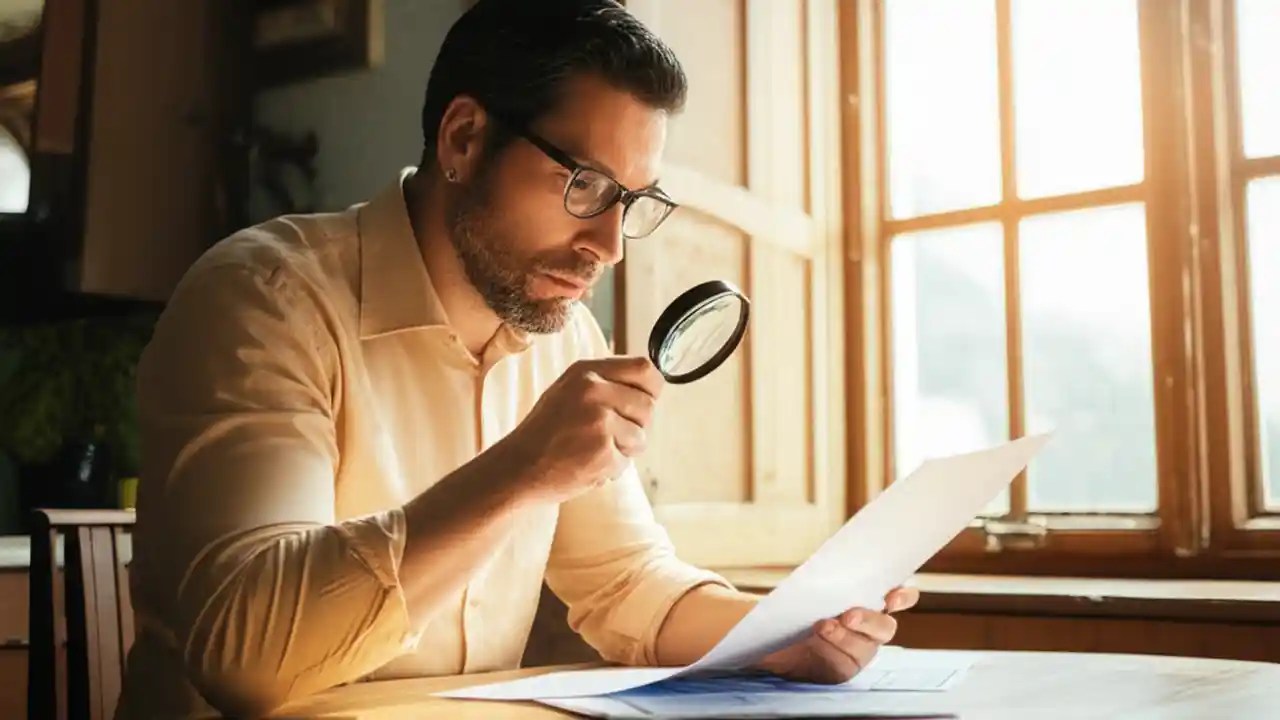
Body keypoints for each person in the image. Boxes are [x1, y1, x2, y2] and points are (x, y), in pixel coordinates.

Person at [115, 1, 918, 717]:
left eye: (633, 205)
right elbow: (246, 666)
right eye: (586, 186)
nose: (608, 247)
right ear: (464, 138)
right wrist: (524, 468)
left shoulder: (565, 337)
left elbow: (627, 584)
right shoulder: (264, 298)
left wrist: (784, 634)